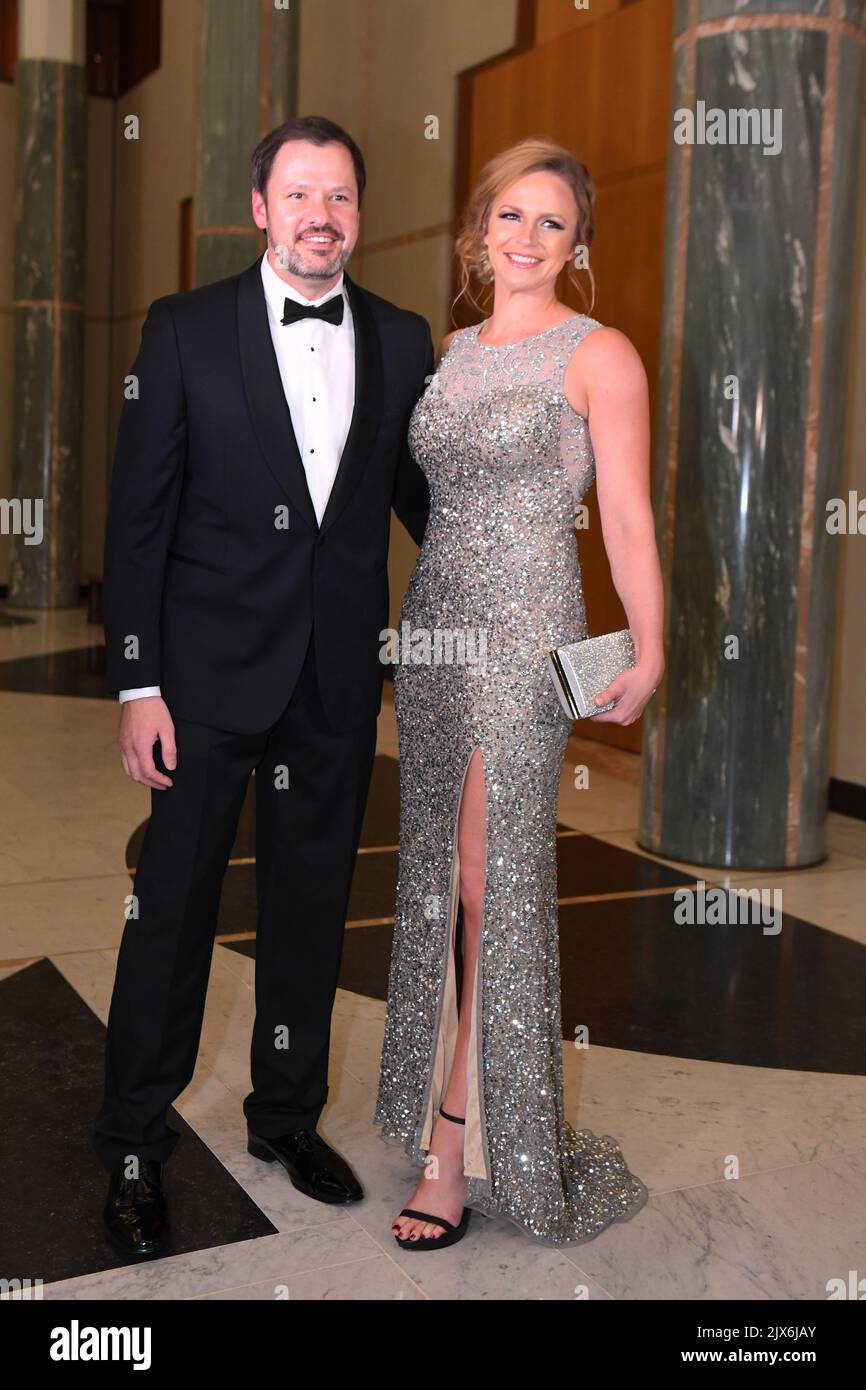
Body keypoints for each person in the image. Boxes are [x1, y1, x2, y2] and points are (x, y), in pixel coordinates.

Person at [94, 116, 433, 1257]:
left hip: (334, 683)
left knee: (308, 912)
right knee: (171, 915)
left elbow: (425, 508)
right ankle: (136, 1142)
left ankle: (284, 1117)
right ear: (259, 207)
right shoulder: (183, 331)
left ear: (358, 214)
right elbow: (135, 522)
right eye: (298, 195)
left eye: (339, 196)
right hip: (197, 686)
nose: (319, 216)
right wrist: (137, 683)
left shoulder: (400, 337)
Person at [374, 138, 664, 1249]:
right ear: (477, 230)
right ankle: (454, 1110)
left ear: (577, 246)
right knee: (440, 880)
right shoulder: (446, 353)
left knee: (489, 883)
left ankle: (457, 1147)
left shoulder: (600, 356)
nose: (527, 237)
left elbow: (627, 518)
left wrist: (645, 644)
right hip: (435, 634)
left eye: (552, 223)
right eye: (511, 216)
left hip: (525, 639)